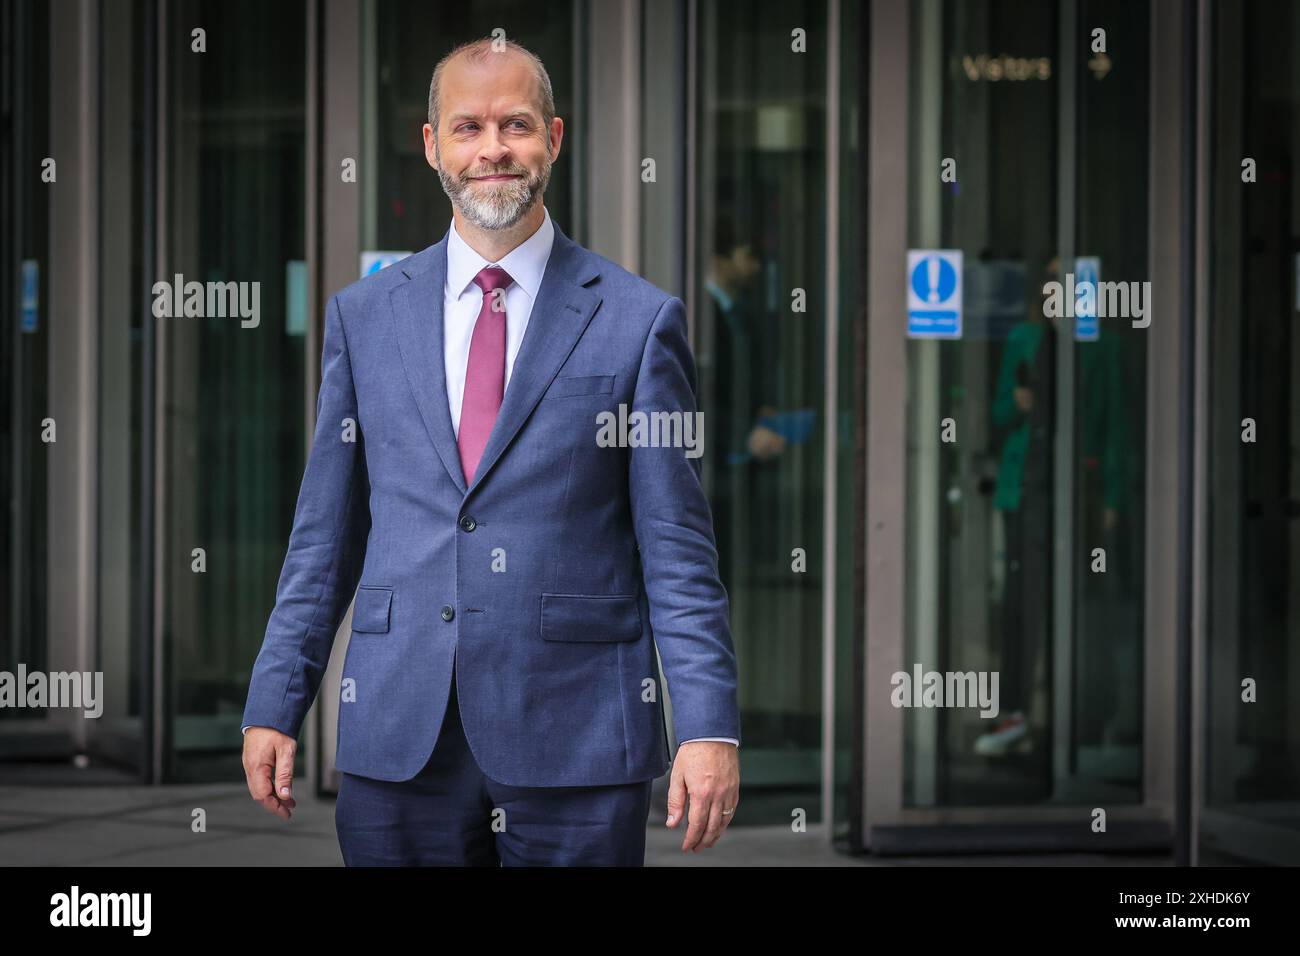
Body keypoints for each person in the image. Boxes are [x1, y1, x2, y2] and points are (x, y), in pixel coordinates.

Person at [239, 37, 741, 865]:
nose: (494, 150)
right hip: (400, 736)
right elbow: (323, 537)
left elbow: (678, 550)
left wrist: (709, 725)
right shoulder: (364, 319)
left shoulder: (639, 321)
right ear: (433, 145)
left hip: (577, 739)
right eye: (468, 128)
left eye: (515, 125)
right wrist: (273, 701)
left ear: (554, 137)